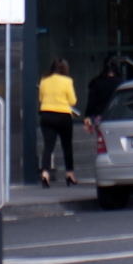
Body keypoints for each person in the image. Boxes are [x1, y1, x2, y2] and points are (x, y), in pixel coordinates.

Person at [38, 57, 78, 186]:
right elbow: (72, 101)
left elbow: (41, 98)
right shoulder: (67, 81)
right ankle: (70, 174)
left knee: (48, 147)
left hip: (46, 115)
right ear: (65, 69)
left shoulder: (44, 80)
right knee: (67, 146)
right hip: (63, 116)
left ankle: (45, 174)